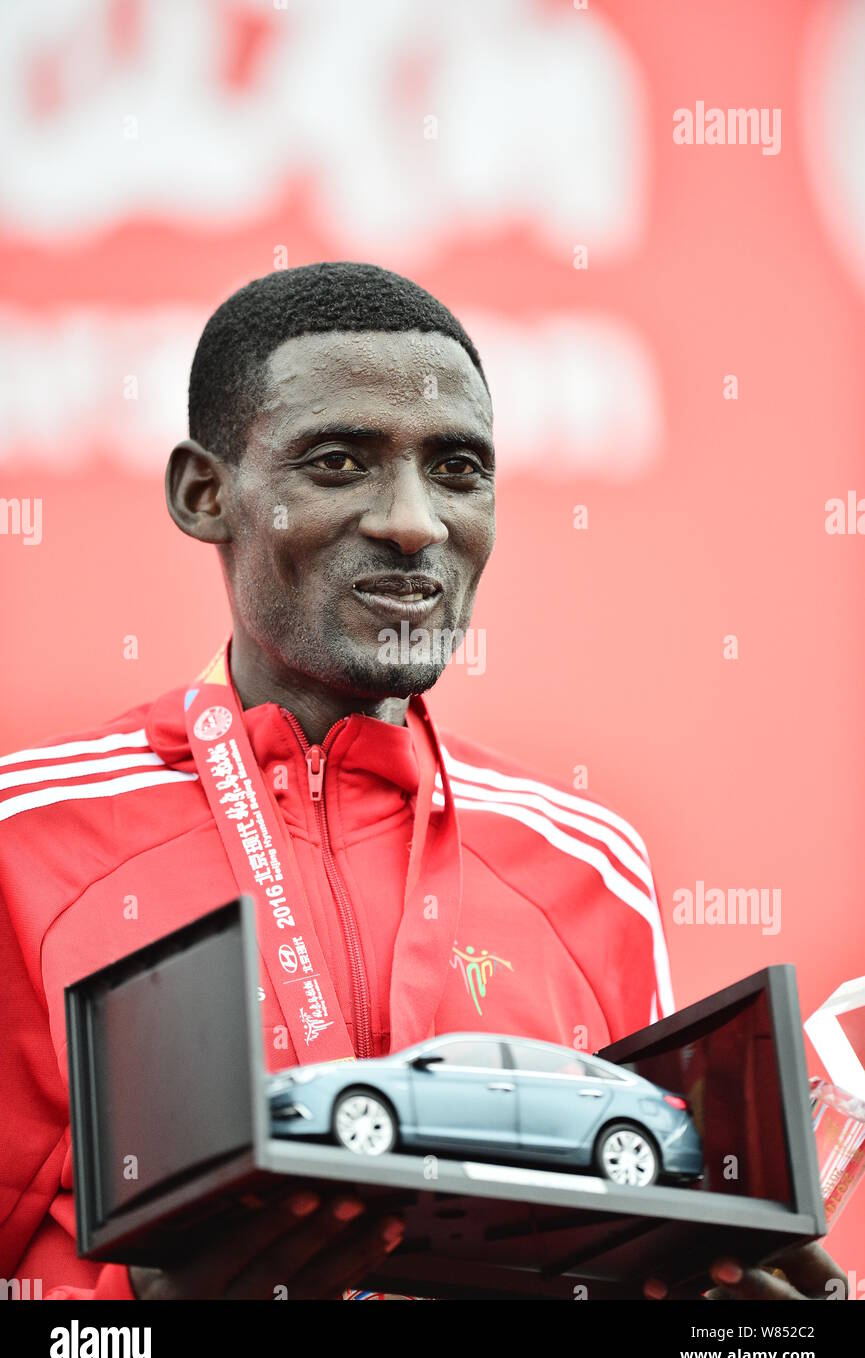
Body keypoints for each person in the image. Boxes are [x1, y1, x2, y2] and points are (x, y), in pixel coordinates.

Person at [0, 263, 843, 1302]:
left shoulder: (588, 865)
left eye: (455, 469)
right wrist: (140, 1323)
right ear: (204, 492)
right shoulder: (26, 843)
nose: (413, 522)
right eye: (340, 461)